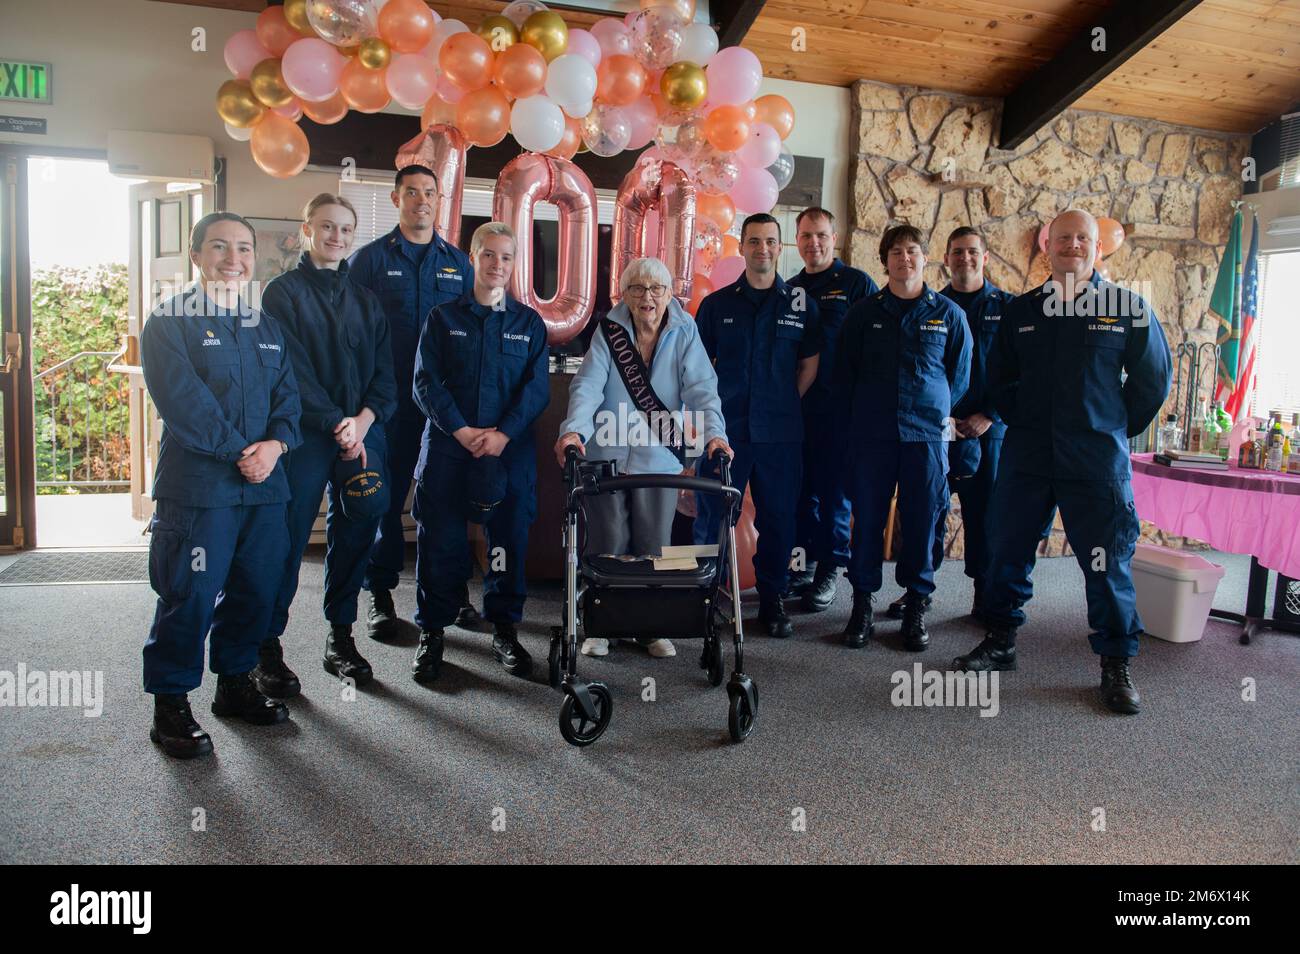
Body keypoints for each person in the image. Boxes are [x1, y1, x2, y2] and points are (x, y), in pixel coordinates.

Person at [951, 210, 1172, 716]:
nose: (1073, 246)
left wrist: (1111, 425)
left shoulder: (1126, 308)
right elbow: (999, 378)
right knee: (1007, 549)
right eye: (1064, 238)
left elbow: (1152, 381)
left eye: (1083, 239)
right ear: (1047, 247)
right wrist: (1021, 415)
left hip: (1095, 459)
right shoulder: (1023, 310)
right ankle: (1001, 640)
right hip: (1027, 454)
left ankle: (1116, 662)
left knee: (1106, 561)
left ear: (1098, 248)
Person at [140, 212, 302, 759]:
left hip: (265, 488)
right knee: (191, 593)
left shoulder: (268, 327)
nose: (233, 259)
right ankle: (171, 703)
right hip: (201, 488)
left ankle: (235, 683)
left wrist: (276, 447)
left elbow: (289, 400)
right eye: (219, 247)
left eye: (243, 248)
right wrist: (241, 453)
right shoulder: (168, 323)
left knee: (258, 588)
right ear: (196, 255)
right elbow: (186, 405)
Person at [252, 194, 397, 698]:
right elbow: (289, 370)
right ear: (307, 229)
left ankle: (340, 637)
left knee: (358, 531)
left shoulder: (366, 300)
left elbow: (385, 375)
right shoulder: (282, 294)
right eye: (327, 227)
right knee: (287, 540)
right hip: (304, 435)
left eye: (345, 230)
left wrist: (362, 419)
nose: (337, 237)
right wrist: (334, 420)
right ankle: (266, 645)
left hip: (361, 432)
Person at [556, 257, 731, 658]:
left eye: (656, 289)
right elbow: (588, 385)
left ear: (670, 294)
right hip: (607, 450)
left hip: (660, 455)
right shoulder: (610, 330)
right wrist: (574, 430)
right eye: (637, 289)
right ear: (625, 295)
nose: (647, 297)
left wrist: (714, 436)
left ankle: (648, 627)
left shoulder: (685, 330)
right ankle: (601, 627)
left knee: (653, 546)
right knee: (609, 542)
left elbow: (702, 389)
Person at [409, 222, 549, 681]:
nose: (497, 265)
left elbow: (536, 390)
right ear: (473, 257)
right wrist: (462, 431)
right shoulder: (442, 318)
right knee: (440, 541)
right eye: (489, 255)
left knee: (508, 540)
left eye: (506, 257)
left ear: (514, 264)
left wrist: (503, 434)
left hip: (509, 451)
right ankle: (433, 631)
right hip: (450, 446)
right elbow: (425, 382)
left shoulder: (528, 324)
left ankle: (505, 629)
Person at [348, 164, 475, 643]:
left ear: (438, 200)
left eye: (430, 192)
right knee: (384, 499)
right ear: (397, 198)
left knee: (445, 500)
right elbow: (351, 338)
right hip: (388, 403)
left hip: (441, 408)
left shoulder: (459, 263)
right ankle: (380, 593)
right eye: (413, 192)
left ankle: (452, 589)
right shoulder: (369, 262)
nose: (422, 200)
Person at [836, 224, 971, 651]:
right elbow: (845, 372)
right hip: (872, 436)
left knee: (922, 523)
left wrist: (931, 409)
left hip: (926, 438)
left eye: (912, 251)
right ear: (885, 260)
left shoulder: (949, 314)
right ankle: (861, 605)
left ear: (925, 258)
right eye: (896, 252)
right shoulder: (863, 312)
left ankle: (916, 604)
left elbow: (960, 379)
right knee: (868, 522)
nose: (904, 259)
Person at [693, 213, 822, 639]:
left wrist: (783, 402)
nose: (762, 249)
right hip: (725, 433)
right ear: (742, 246)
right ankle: (709, 599)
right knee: (714, 517)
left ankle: (771, 602)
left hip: (782, 434)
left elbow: (809, 365)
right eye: (754, 241)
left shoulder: (800, 304)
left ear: (779, 247)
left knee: (779, 519)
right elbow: (699, 369)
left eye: (770, 241)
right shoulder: (717, 304)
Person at [885, 226, 1014, 622]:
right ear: (945, 257)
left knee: (984, 517)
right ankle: (918, 592)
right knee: (927, 511)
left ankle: (984, 594)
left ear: (985, 257)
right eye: (957, 252)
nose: (965, 259)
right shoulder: (933, 304)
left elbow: (1017, 371)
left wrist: (987, 416)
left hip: (987, 431)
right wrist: (946, 415)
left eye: (972, 252)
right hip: (938, 426)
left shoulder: (1006, 307)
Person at [787, 207, 878, 612]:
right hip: (799, 409)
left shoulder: (857, 284)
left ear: (834, 236)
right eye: (806, 236)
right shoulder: (788, 289)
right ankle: (801, 567)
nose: (814, 243)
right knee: (800, 492)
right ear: (797, 240)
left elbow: (874, 349)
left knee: (833, 494)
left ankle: (829, 569)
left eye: (821, 235)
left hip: (842, 413)